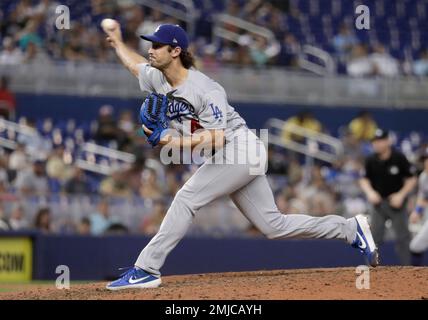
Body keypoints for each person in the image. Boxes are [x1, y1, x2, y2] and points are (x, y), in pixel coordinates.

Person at [102, 21, 379, 290]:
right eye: (151, 44)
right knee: (273, 225)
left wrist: (171, 140)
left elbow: (218, 136)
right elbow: (134, 64)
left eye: (158, 45)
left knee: (187, 198)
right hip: (228, 155)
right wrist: (117, 42)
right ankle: (349, 229)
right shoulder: (157, 76)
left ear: (175, 52)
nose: (151, 49)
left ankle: (147, 269)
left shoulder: (205, 89)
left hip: (241, 149)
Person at [359, 129, 417, 265]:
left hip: (397, 203)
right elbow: (364, 179)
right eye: (375, 141)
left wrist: (401, 195)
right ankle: (371, 268)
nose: (377, 144)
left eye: (380, 141)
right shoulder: (370, 160)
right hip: (378, 204)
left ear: (388, 141)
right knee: (374, 238)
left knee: (403, 238)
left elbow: (411, 179)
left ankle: (407, 270)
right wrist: (370, 193)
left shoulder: (399, 158)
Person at [409, 151, 428, 265]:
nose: (426, 162)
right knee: (416, 247)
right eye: (425, 159)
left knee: (415, 246)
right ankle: (417, 280)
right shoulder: (424, 177)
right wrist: (417, 211)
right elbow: (423, 197)